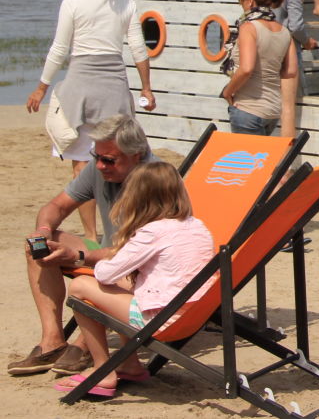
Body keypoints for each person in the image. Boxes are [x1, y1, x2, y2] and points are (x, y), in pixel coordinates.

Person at [25, 0, 156, 242]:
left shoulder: (73, 1)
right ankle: (122, 228)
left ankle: (90, 234)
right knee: (121, 161)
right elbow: (138, 49)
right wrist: (147, 88)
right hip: (113, 85)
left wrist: (42, 87)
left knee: (82, 164)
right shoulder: (125, 2)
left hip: (81, 85)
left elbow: (60, 49)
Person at [7, 116, 156, 377]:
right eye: (95, 156)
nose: (99, 165)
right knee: (38, 245)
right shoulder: (100, 167)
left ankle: (86, 344)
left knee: (104, 274)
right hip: (110, 254)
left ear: (137, 155)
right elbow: (56, 206)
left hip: (137, 267)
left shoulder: (154, 183)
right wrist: (42, 232)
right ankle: (52, 341)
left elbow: (135, 255)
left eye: (109, 159)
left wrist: (79, 256)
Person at [54, 162, 215, 399]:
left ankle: (103, 371)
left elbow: (106, 273)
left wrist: (90, 260)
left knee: (80, 287)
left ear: (138, 198)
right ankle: (129, 364)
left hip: (161, 320)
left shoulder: (152, 232)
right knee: (125, 285)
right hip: (191, 314)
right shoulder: (197, 225)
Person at [220, 0, 299, 137]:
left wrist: (228, 92)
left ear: (249, 0)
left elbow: (246, 68)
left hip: (248, 108)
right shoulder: (284, 31)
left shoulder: (249, 28)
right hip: (272, 111)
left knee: (247, 160)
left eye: (241, 1)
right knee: (261, 160)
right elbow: (290, 71)